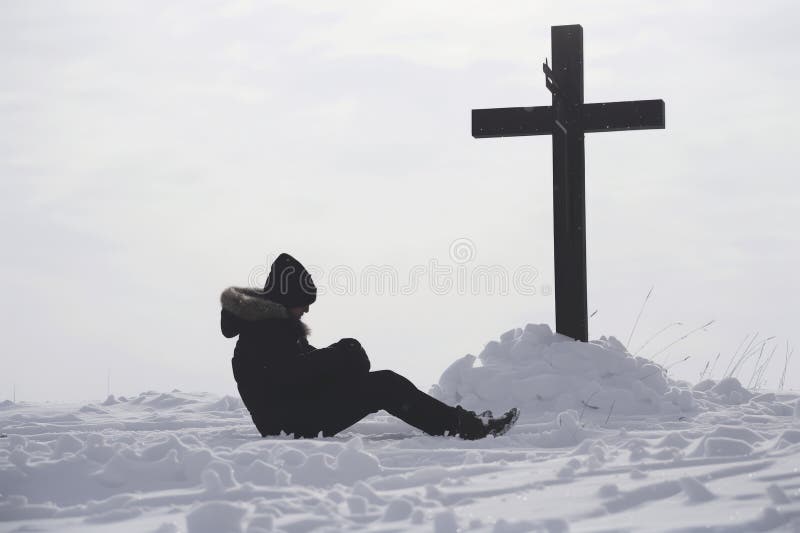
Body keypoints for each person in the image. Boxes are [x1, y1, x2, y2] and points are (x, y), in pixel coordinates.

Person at [220, 253, 519, 439]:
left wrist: (342, 358)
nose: (306, 310)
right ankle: (468, 428)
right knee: (384, 385)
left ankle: (462, 423)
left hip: (293, 413)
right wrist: (340, 355)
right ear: (286, 299)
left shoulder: (272, 328)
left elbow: (301, 368)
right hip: (287, 423)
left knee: (381, 382)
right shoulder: (263, 331)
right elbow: (290, 375)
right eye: (303, 303)